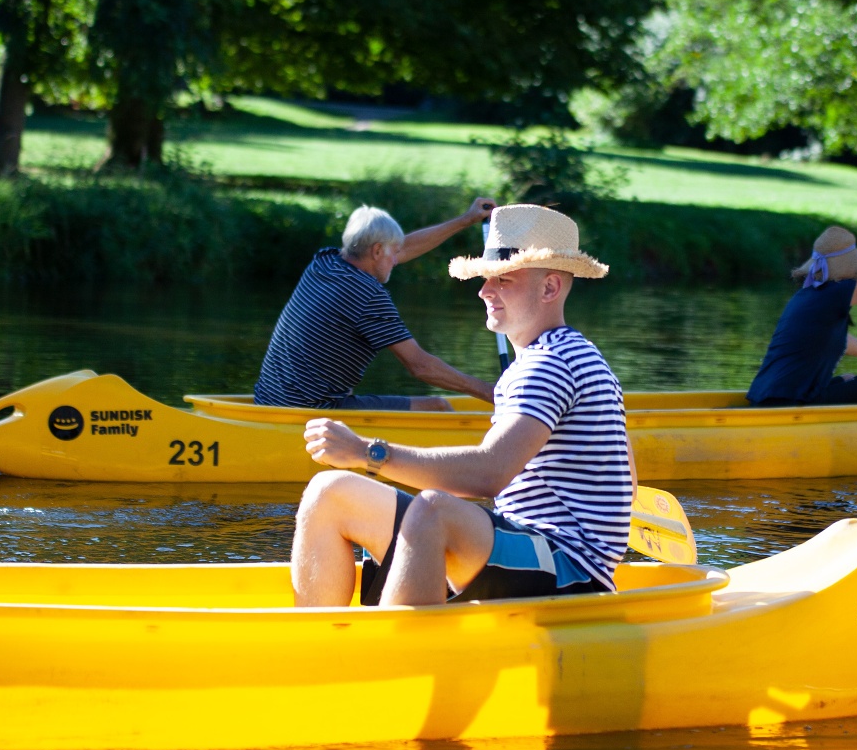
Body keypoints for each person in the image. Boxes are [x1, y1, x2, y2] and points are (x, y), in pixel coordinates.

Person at [289, 203, 634, 608]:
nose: (484, 291)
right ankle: (317, 652)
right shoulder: (560, 356)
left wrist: (367, 452)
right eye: (486, 278)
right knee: (330, 492)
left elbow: (489, 473)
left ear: (549, 288)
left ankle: (395, 657)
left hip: (571, 569)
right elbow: (623, 460)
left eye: (502, 279)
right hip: (525, 542)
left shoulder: (552, 363)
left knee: (433, 510)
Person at [253, 199, 498, 411]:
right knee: (439, 407)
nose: (397, 259)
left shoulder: (324, 262)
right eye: (393, 252)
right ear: (377, 250)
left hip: (268, 401)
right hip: (312, 411)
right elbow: (421, 366)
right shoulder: (368, 295)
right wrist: (494, 394)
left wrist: (465, 220)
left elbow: (402, 250)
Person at [747, 219, 857, 407]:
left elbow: (835, 339)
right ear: (848, 266)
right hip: (792, 401)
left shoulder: (807, 295)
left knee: (847, 379)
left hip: (766, 396)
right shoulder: (839, 290)